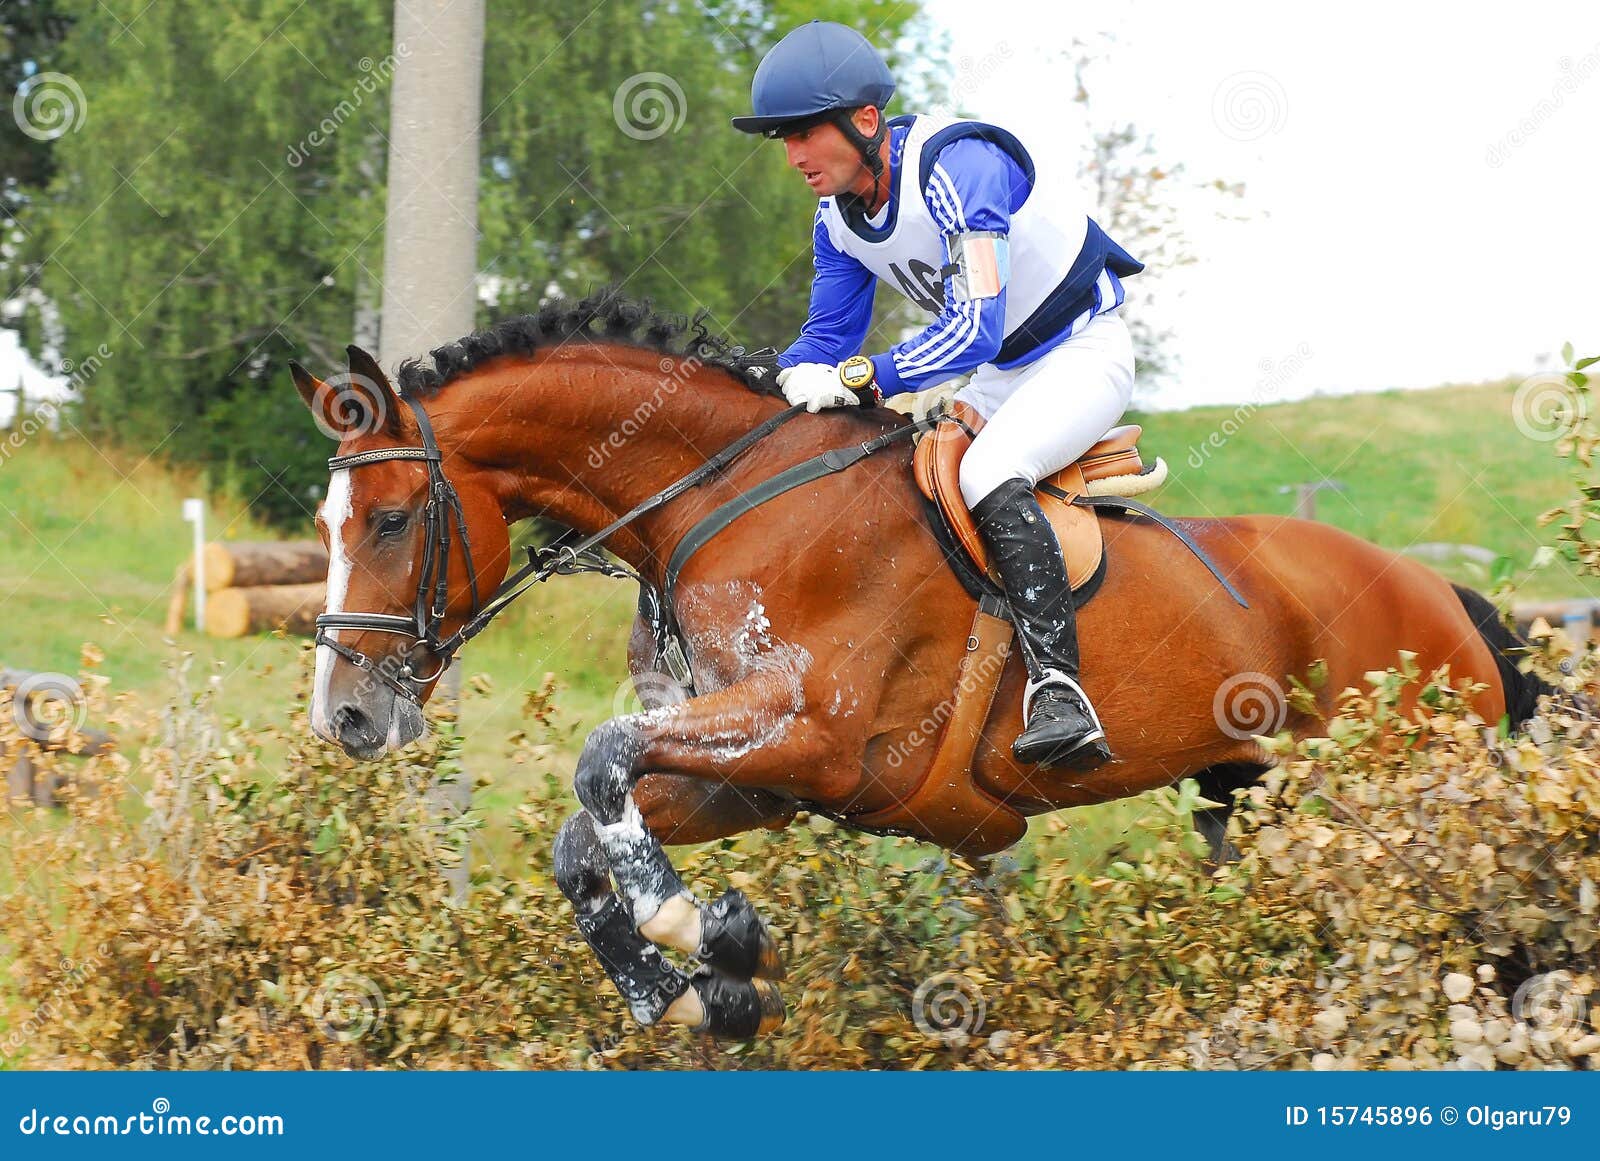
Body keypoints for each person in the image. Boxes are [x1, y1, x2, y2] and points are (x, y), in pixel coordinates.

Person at [731, 20, 1144, 771]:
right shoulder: (837, 222)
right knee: (908, 478)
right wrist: (747, 396)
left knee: (987, 475)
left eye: (802, 134)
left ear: (863, 121)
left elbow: (976, 329)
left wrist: (862, 379)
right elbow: (822, 344)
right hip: (1001, 375)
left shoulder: (960, 164)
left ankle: (1059, 690)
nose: (792, 157)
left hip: (1082, 350)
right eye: (781, 141)